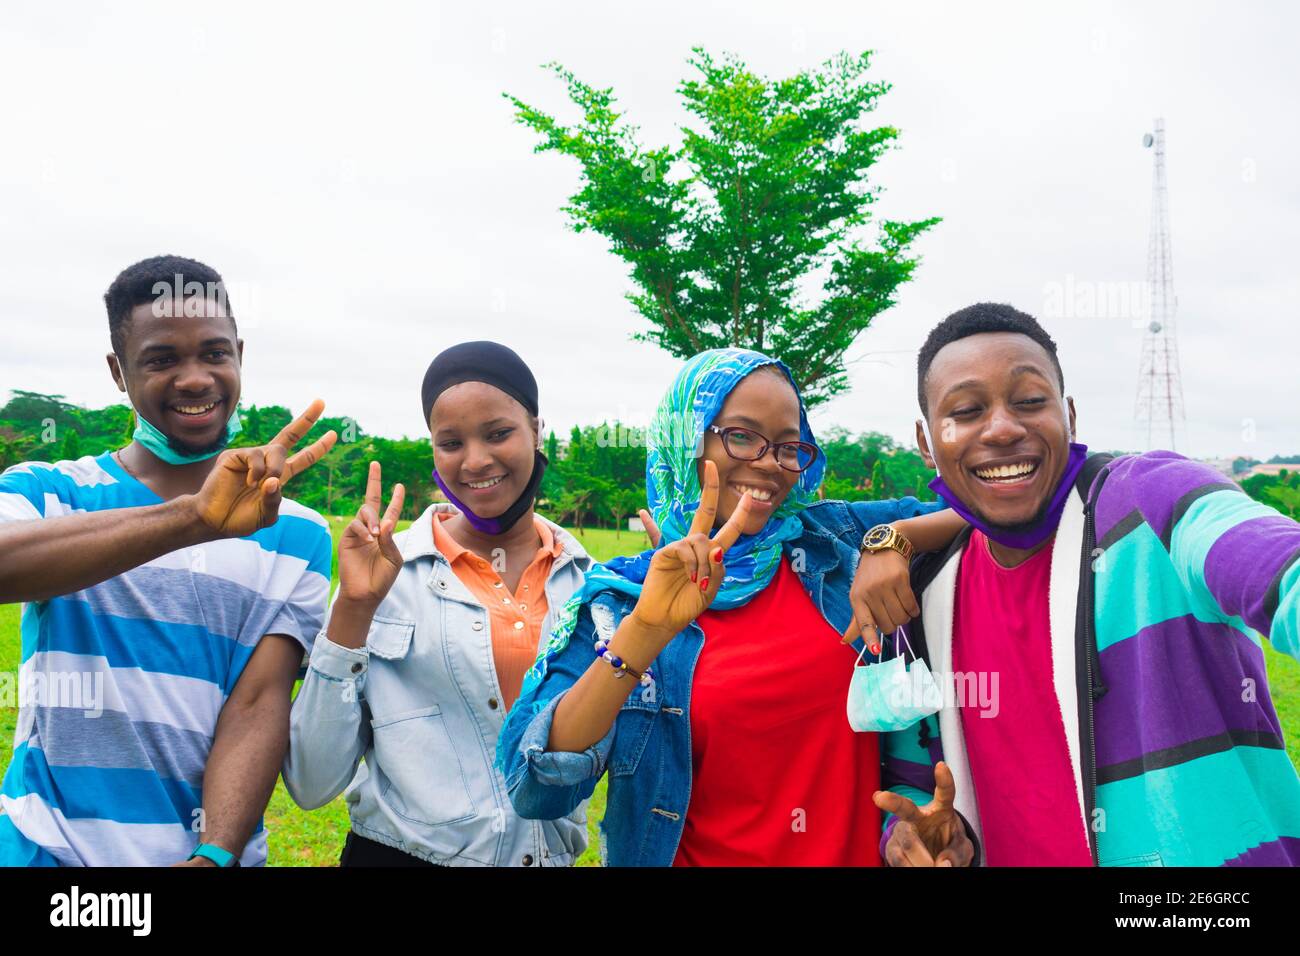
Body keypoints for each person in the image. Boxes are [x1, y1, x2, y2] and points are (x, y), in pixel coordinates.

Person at [498, 347, 968, 866]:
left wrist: (889, 539)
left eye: (789, 446)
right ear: (686, 438)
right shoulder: (616, 602)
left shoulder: (827, 542)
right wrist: (646, 631)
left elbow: (978, 505)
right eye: (741, 436)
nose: (769, 464)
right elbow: (536, 787)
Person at [875, 302, 1300, 867]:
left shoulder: (1151, 503)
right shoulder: (922, 595)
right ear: (927, 443)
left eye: (1030, 401)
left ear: (1069, 415)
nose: (1003, 428)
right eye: (967, 410)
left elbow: (1271, 562)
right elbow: (913, 779)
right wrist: (916, 834)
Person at [0, 255, 336, 867]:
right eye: (161, 359)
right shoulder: (50, 493)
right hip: (45, 850)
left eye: (214, 353)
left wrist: (214, 854)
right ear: (118, 372)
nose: (195, 378)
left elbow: (259, 703)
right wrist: (191, 520)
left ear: (239, 354)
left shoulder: (295, 533)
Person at [283, 341, 595, 866]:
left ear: (537, 431)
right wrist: (353, 612)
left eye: (498, 433)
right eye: (451, 442)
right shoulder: (387, 572)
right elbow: (311, 782)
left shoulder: (588, 584)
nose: (475, 461)